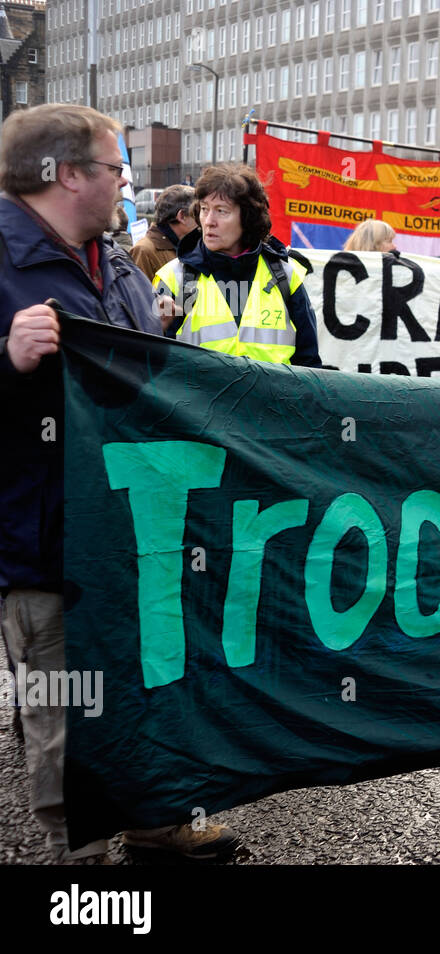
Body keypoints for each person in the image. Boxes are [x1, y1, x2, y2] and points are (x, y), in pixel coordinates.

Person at [0, 103, 238, 863]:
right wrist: (4, 359)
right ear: (67, 174)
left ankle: (150, 820)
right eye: (116, 169)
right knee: (63, 711)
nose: (126, 183)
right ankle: (76, 863)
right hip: (45, 548)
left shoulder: (119, 267)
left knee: (140, 687)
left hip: (137, 529)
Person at [154, 163, 322, 367]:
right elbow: (153, 365)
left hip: (272, 399)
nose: (208, 221)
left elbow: (309, 362)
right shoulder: (174, 278)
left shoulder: (285, 276)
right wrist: (157, 327)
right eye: (204, 209)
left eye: (221, 211)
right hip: (199, 399)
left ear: (247, 218)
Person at [129, 184, 196, 283]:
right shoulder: (143, 251)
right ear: (182, 217)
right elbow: (138, 295)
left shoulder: (187, 246)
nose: (204, 219)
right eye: (197, 213)